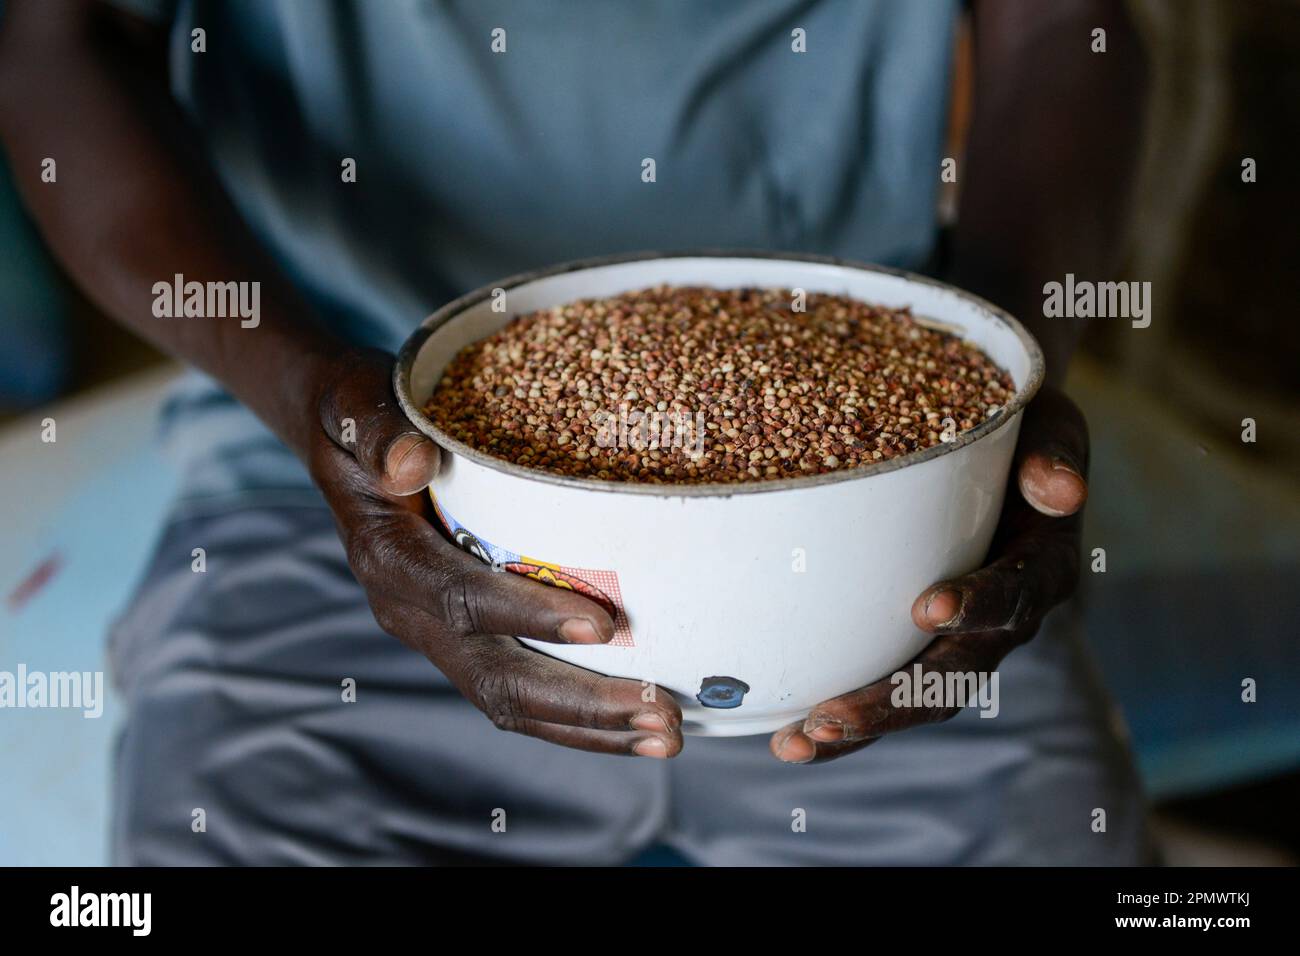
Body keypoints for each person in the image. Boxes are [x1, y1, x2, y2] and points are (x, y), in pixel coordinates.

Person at [0, 0, 1152, 864]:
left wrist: (1005, 364)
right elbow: (56, 40)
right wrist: (306, 394)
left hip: (889, 507)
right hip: (338, 470)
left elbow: (1064, 25)